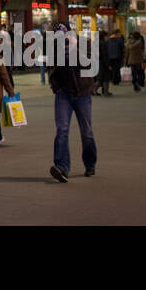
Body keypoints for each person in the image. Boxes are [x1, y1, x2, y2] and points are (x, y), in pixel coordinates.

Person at [48, 24, 97, 181]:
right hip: (63, 94)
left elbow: (89, 63)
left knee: (86, 131)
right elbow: (52, 68)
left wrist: (74, 49)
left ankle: (90, 164)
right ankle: (62, 167)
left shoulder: (84, 43)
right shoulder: (55, 48)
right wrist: (55, 86)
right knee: (62, 129)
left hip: (82, 94)